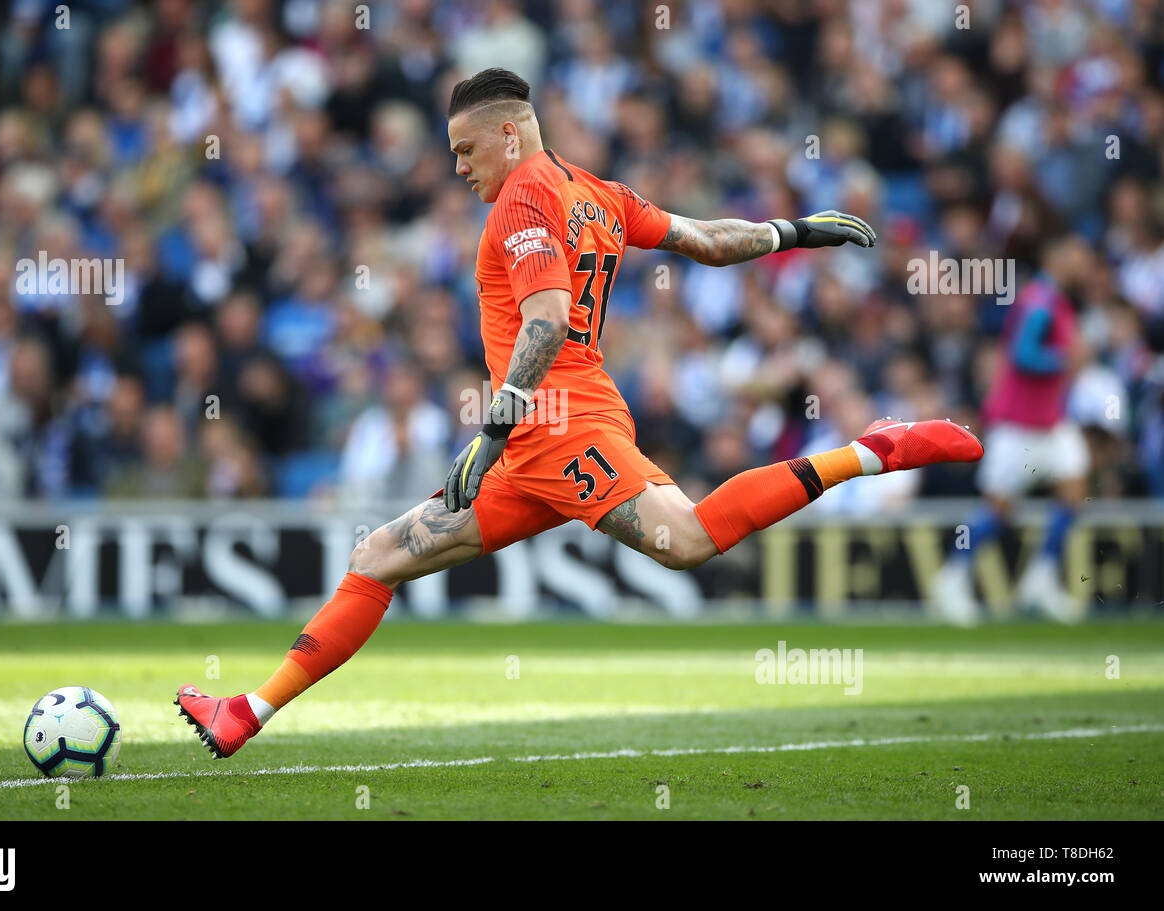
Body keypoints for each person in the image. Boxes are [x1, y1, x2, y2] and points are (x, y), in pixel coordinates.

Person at [176, 68, 982, 759]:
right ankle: (246, 713)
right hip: (538, 441)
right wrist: (793, 230)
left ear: (508, 133)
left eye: (466, 150)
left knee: (688, 539)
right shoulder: (596, 192)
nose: (459, 168)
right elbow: (704, 237)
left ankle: (870, 451)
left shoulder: (523, 201)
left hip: (560, 430)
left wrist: (487, 435)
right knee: (379, 555)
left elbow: (548, 319)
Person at [931, 235, 1093, 625]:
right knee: (999, 507)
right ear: (1056, 256)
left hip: (1049, 423)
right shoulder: (1041, 302)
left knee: (1074, 489)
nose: (1083, 260)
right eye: (1076, 253)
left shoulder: (1053, 300)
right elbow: (1023, 354)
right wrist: (1064, 358)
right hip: (1020, 424)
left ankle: (1040, 576)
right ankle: (951, 579)